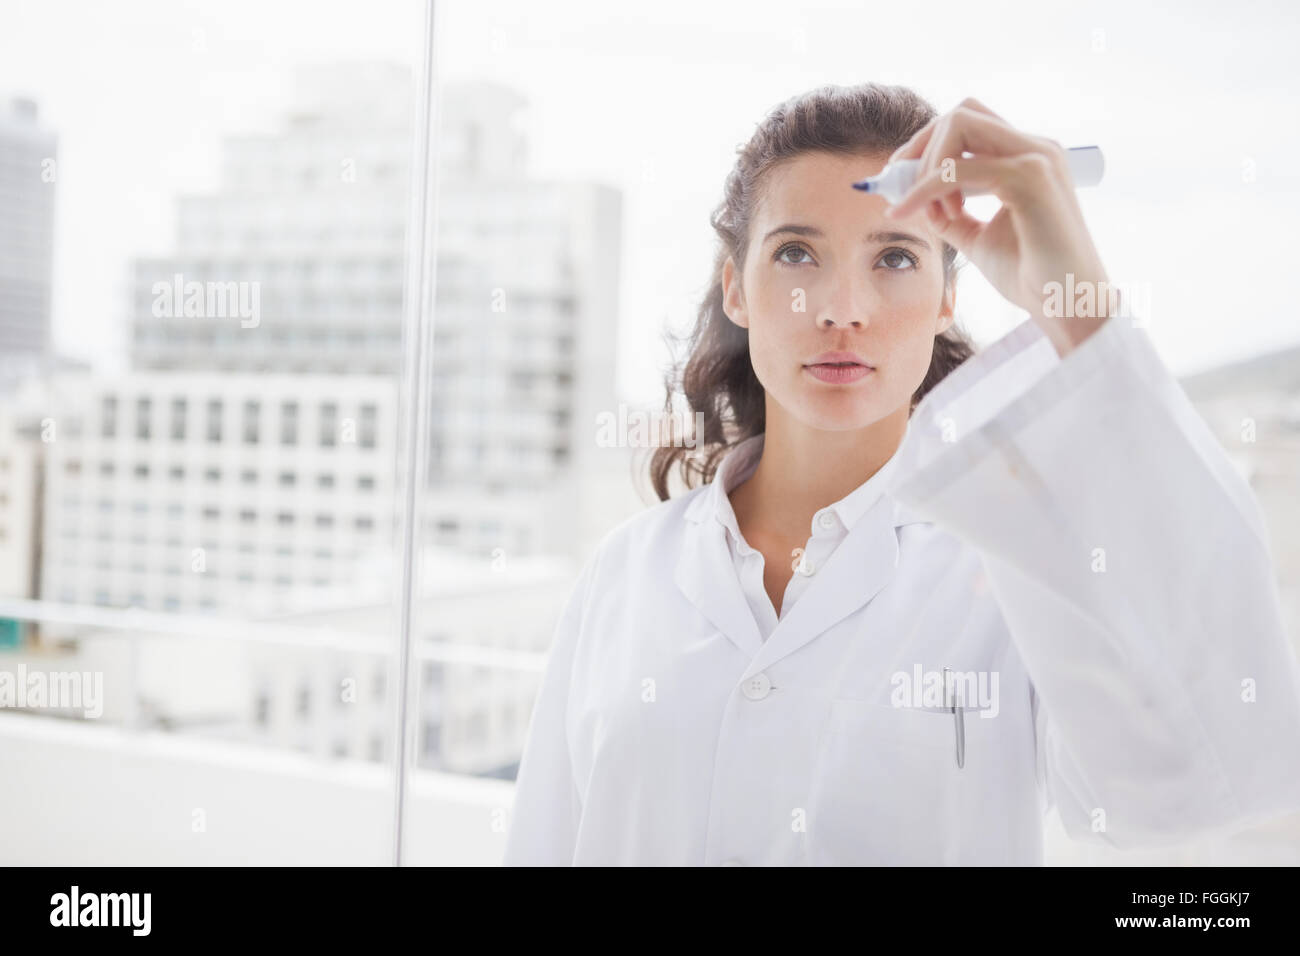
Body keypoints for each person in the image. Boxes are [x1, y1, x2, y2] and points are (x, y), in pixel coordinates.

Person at [502, 83, 1300, 865]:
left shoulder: (1011, 572)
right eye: (795, 253)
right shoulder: (624, 572)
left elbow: (1195, 778)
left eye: (893, 256)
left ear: (949, 295)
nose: (843, 307)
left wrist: (1078, 302)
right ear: (736, 288)